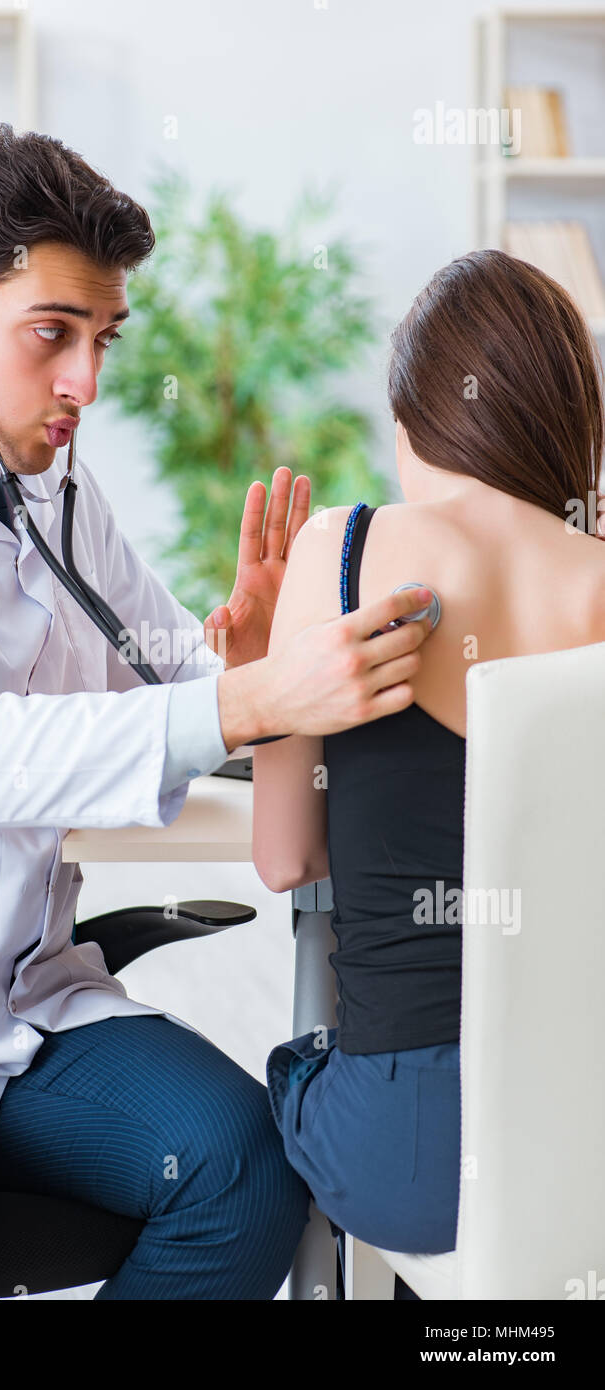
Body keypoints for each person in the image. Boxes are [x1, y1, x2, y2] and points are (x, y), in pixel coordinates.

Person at [0, 123, 434, 1301]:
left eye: (104, 338)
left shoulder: (48, 484)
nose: (87, 384)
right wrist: (245, 697)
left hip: (14, 1000)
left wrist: (245, 657)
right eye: (52, 334)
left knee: (248, 1170)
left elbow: (163, 677)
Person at [252, 246, 605, 1276]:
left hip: (409, 1158)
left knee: (295, 1071)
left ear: (411, 424)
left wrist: (257, 673)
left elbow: (286, 859)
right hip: (584, 1141)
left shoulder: (343, 550)